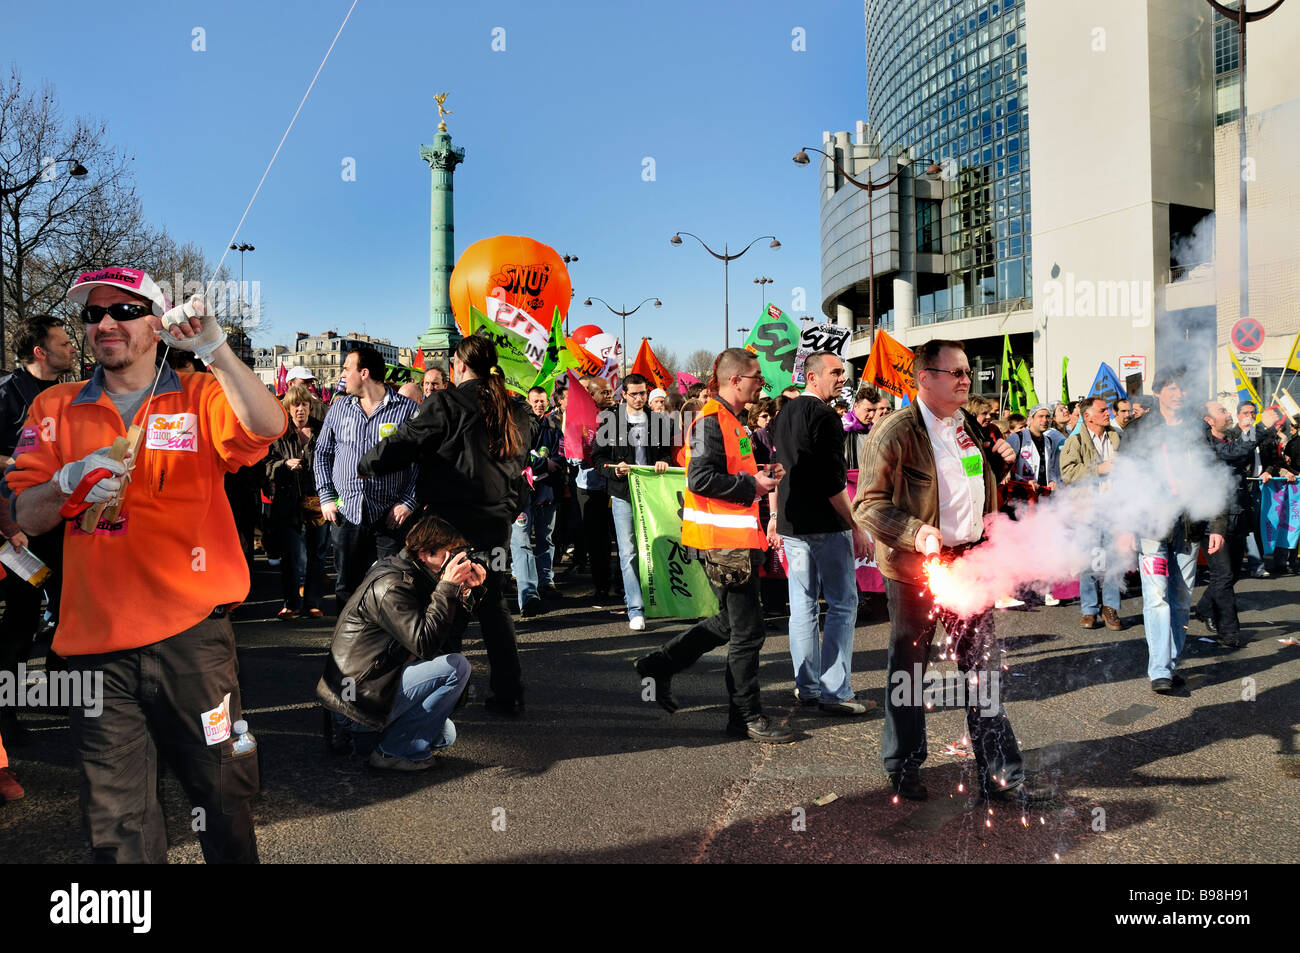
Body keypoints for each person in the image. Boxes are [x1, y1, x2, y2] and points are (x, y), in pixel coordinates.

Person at [7, 266, 287, 862]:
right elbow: (25, 515)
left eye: (124, 311)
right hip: (93, 649)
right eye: (92, 314)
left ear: (157, 324)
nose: (105, 323)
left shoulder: (198, 393)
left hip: (195, 643)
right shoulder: (53, 408)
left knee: (224, 802)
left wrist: (214, 347)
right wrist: (64, 483)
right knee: (117, 826)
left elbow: (267, 427)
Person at [854, 339, 1049, 804]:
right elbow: (867, 505)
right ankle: (902, 764)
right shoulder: (895, 432)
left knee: (984, 667)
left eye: (966, 372)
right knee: (911, 669)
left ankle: (1000, 772)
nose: (966, 379)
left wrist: (998, 470)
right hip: (915, 569)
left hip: (969, 564)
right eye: (956, 372)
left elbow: (969, 491)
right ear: (926, 379)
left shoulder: (968, 427)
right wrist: (917, 532)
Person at [358, 333, 531, 717]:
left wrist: (368, 463)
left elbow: (407, 441)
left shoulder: (448, 402)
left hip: (452, 525)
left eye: (452, 363)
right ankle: (509, 692)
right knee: (493, 606)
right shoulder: (514, 409)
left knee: (447, 602)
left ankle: (444, 694)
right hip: (496, 523)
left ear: (460, 365)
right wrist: (510, 502)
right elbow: (519, 465)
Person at [635, 348, 794, 743]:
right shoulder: (712, 421)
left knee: (731, 624)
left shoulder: (729, 420)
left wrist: (758, 475)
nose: (762, 383)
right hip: (722, 543)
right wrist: (752, 485)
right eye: (756, 376)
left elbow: (723, 474)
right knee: (748, 632)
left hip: (732, 541)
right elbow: (699, 479)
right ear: (735, 379)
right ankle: (744, 716)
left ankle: (659, 664)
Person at [316, 513, 482, 770]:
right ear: (425, 553)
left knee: (445, 734)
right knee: (456, 667)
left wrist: (465, 593)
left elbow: (446, 639)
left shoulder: (419, 575)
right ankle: (388, 751)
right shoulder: (392, 586)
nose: (454, 562)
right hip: (356, 701)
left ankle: (373, 741)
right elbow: (425, 644)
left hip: (378, 684)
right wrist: (447, 587)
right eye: (449, 554)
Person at [770, 352, 874, 715]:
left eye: (843, 372)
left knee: (802, 607)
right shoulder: (826, 416)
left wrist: (775, 516)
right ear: (812, 377)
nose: (842, 378)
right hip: (826, 526)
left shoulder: (784, 414)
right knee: (844, 604)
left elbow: (778, 469)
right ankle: (834, 690)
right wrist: (856, 525)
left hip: (794, 525)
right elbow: (832, 481)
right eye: (835, 372)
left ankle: (809, 687)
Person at [1119, 369, 1227, 695]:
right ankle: (1159, 670)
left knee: (1181, 600)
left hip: (1190, 527)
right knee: (1157, 599)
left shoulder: (1198, 430)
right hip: (1151, 526)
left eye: (1183, 388)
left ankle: (1171, 663)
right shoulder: (1138, 430)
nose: (1179, 393)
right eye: (1172, 388)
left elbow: (1214, 476)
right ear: (1159, 392)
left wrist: (1218, 525)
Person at [0, 315, 76, 743]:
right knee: (22, 617)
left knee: (69, 609)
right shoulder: (7, 396)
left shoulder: (75, 394)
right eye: (64, 343)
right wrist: (23, 463)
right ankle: (5, 715)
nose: (73, 349)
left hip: (67, 525)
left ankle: (62, 692)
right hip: (18, 532)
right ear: (40, 352)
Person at [315, 345, 419, 613]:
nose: (342, 374)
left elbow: (423, 460)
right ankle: (347, 647)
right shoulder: (339, 410)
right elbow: (322, 453)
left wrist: (407, 502)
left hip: (390, 515)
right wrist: (326, 497)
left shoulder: (407, 410)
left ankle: (386, 647)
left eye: (346, 369)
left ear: (364, 373)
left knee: (391, 586)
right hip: (346, 514)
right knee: (347, 586)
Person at [591, 372, 673, 630]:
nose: (640, 398)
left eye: (643, 393)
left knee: (654, 547)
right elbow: (597, 458)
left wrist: (664, 462)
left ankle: (653, 601)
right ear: (623, 395)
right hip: (622, 493)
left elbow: (665, 453)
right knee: (628, 552)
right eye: (634, 394)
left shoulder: (657, 420)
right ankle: (635, 608)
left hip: (651, 493)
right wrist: (613, 469)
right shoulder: (610, 420)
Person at [1192, 400, 1254, 649]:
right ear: (1208, 420)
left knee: (1234, 573)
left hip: (1238, 516)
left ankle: (1205, 608)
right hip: (1213, 520)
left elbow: (1242, 447)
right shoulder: (1206, 445)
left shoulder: (1232, 438)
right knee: (1223, 575)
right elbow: (1235, 453)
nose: (1228, 414)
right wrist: (1261, 429)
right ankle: (1229, 631)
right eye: (1222, 411)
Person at [1060, 396, 1123, 631]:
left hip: (1114, 510)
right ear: (1088, 416)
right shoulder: (1074, 441)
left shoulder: (1117, 437)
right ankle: (1089, 609)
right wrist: (1098, 469)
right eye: (1103, 410)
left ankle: (1110, 607)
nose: (1109, 413)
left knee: (1113, 561)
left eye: (1108, 410)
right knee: (1089, 560)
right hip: (1087, 511)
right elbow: (1068, 474)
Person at [266, 385, 329, 619]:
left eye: (304, 404)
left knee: (317, 554)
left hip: (317, 500)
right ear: (288, 409)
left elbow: (334, 462)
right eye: (295, 405)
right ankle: (291, 603)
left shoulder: (323, 431)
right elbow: (266, 465)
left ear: (310, 407)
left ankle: (312, 603)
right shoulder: (280, 433)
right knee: (290, 555)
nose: (300, 409)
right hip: (288, 501)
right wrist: (283, 465)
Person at [510, 386, 564, 617]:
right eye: (536, 401)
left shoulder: (554, 427)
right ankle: (529, 594)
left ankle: (546, 580)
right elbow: (518, 456)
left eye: (543, 401)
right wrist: (543, 464)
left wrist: (548, 465)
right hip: (521, 492)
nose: (540, 404)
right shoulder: (518, 426)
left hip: (546, 491)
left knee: (545, 538)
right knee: (521, 542)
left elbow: (559, 456)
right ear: (528, 402)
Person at [576, 375, 618, 604]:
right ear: (591, 396)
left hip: (615, 486)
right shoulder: (580, 418)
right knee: (597, 541)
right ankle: (601, 586)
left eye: (611, 391)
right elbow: (572, 455)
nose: (610, 395)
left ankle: (621, 585)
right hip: (590, 487)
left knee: (621, 540)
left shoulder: (620, 416)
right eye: (605, 392)